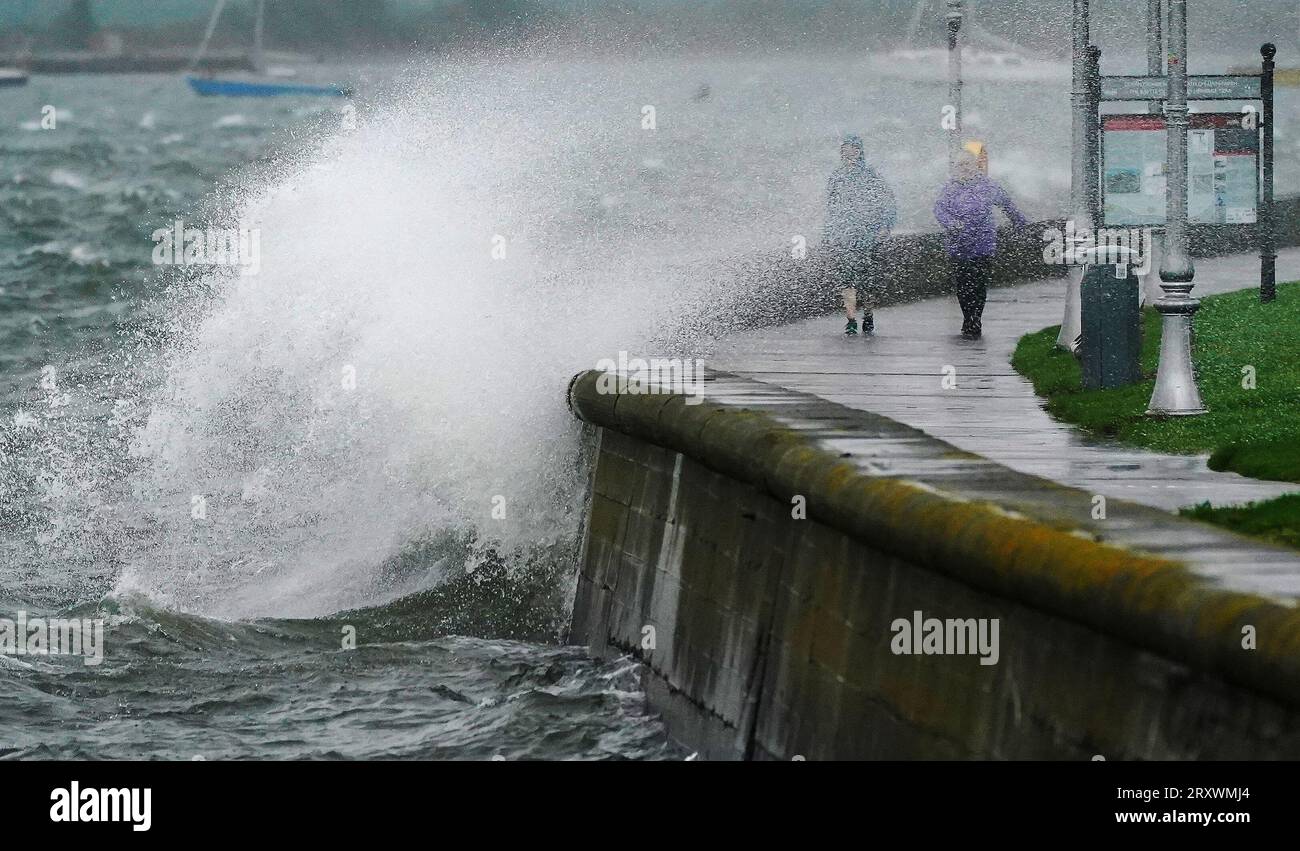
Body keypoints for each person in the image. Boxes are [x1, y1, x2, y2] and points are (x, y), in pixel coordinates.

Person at [933, 140, 1028, 339]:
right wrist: (952, 223)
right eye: (960, 165)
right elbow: (939, 209)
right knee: (962, 285)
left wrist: (1021, 223)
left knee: (978, 284)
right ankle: (968, 316)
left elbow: (1007, 204)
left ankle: (975, 318)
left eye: (967, 164)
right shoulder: (949, 188)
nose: (963, 168)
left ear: (976, 165)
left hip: (982, 244)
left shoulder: (988, 186)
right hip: (958, 245)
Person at [822, 134, 897, 336]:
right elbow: (831, 208)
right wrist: (829, 233)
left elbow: (887, 202)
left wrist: (885, 225)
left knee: (867, 282)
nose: (849, 153)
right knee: (847, 281)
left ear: (860, 152)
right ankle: (851, 319)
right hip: (844, 238)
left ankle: (869, 314)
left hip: (868, 238)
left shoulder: (871, 176)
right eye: (846, 149)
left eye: (853, 149)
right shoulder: (837, 177)